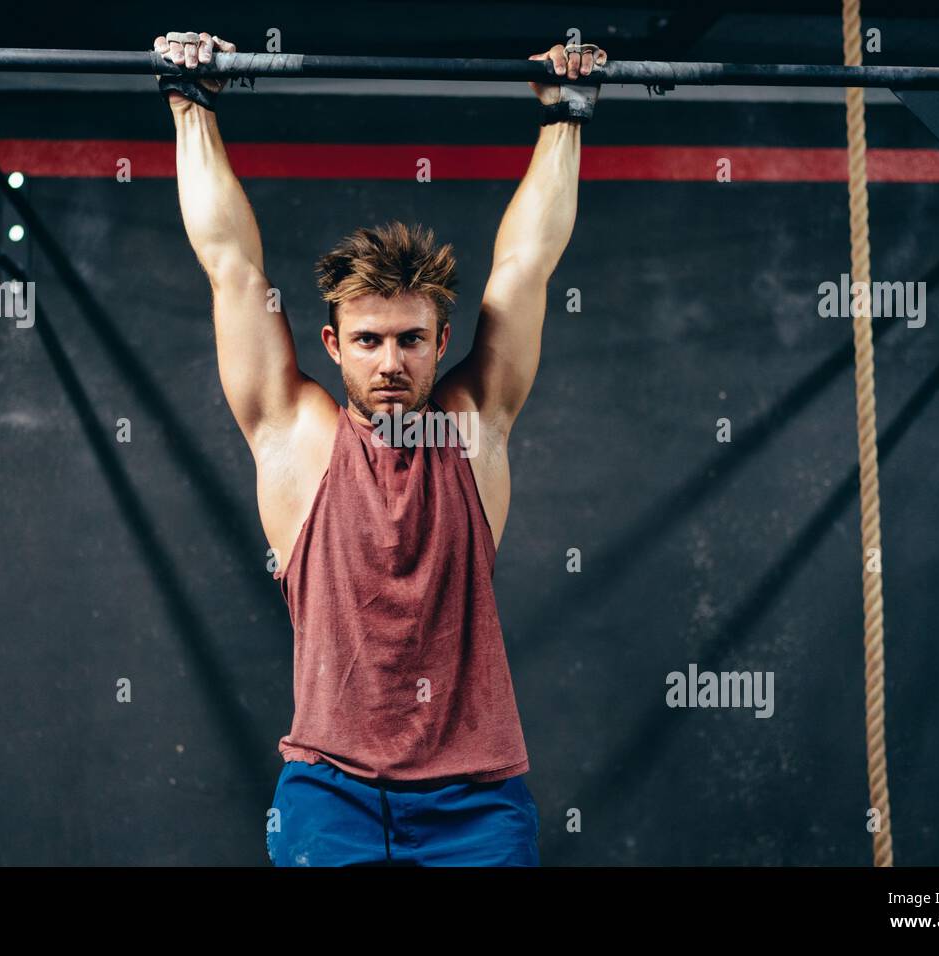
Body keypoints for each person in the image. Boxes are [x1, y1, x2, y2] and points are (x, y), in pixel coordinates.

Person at [155, 29, 607, 866]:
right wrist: (192, 105)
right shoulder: (298, 437)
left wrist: (564, 117)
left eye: (410, 339)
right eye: (368, 341)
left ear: (442, 342)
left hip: (476, 801)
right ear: (332, 343)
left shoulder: (476, 429)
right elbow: (231, 266)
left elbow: (525, 265)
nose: (391, 362)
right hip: (331, 794)